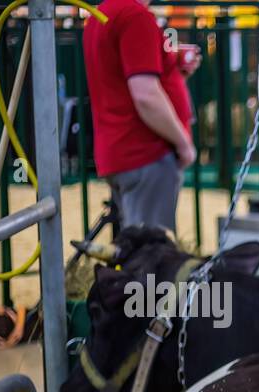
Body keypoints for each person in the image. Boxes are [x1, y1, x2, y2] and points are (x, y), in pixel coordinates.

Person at [83, 0, 197, 232]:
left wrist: (172, 74)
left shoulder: (101, 14)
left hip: (121, 151)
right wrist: (183, 143)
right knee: (151, 254)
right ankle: (149, 273)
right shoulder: (135, 16)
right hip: (145, 153)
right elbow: (145, 95)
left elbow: (127, 85)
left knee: (138, 247)